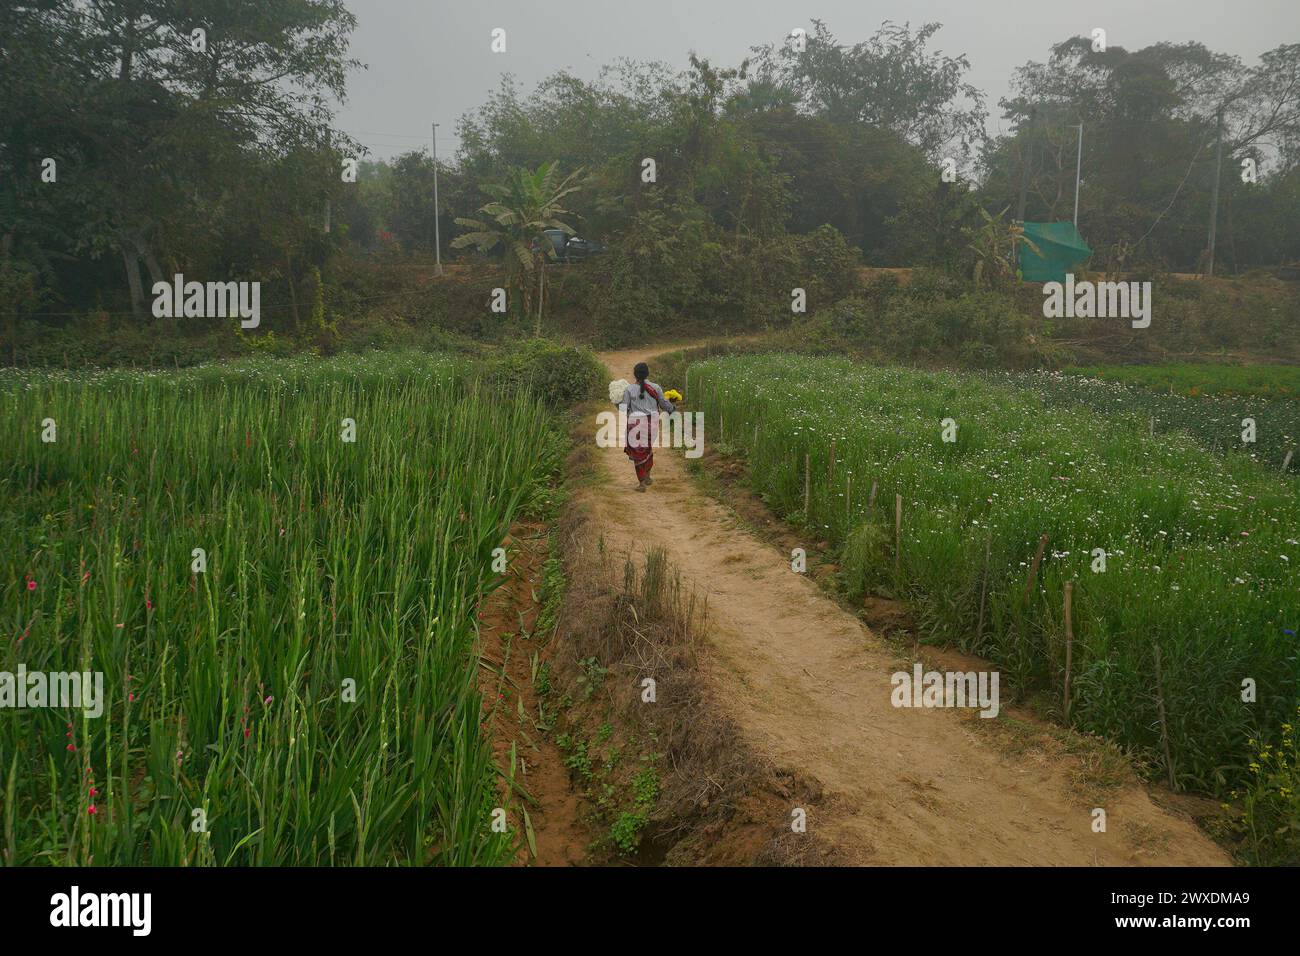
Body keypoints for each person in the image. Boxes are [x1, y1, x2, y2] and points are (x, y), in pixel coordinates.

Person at [615, 361, 675, 491]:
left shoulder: (629, 389)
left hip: (635, 425)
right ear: (647, 373)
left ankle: (642, 483)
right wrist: (672, 408)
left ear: (635, 375)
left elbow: (623, 409)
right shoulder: (656, 387)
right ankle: (648, 476)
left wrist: (616, 403)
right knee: (647, 449)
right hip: (652, 424)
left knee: (638, 453)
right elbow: (664, 404)